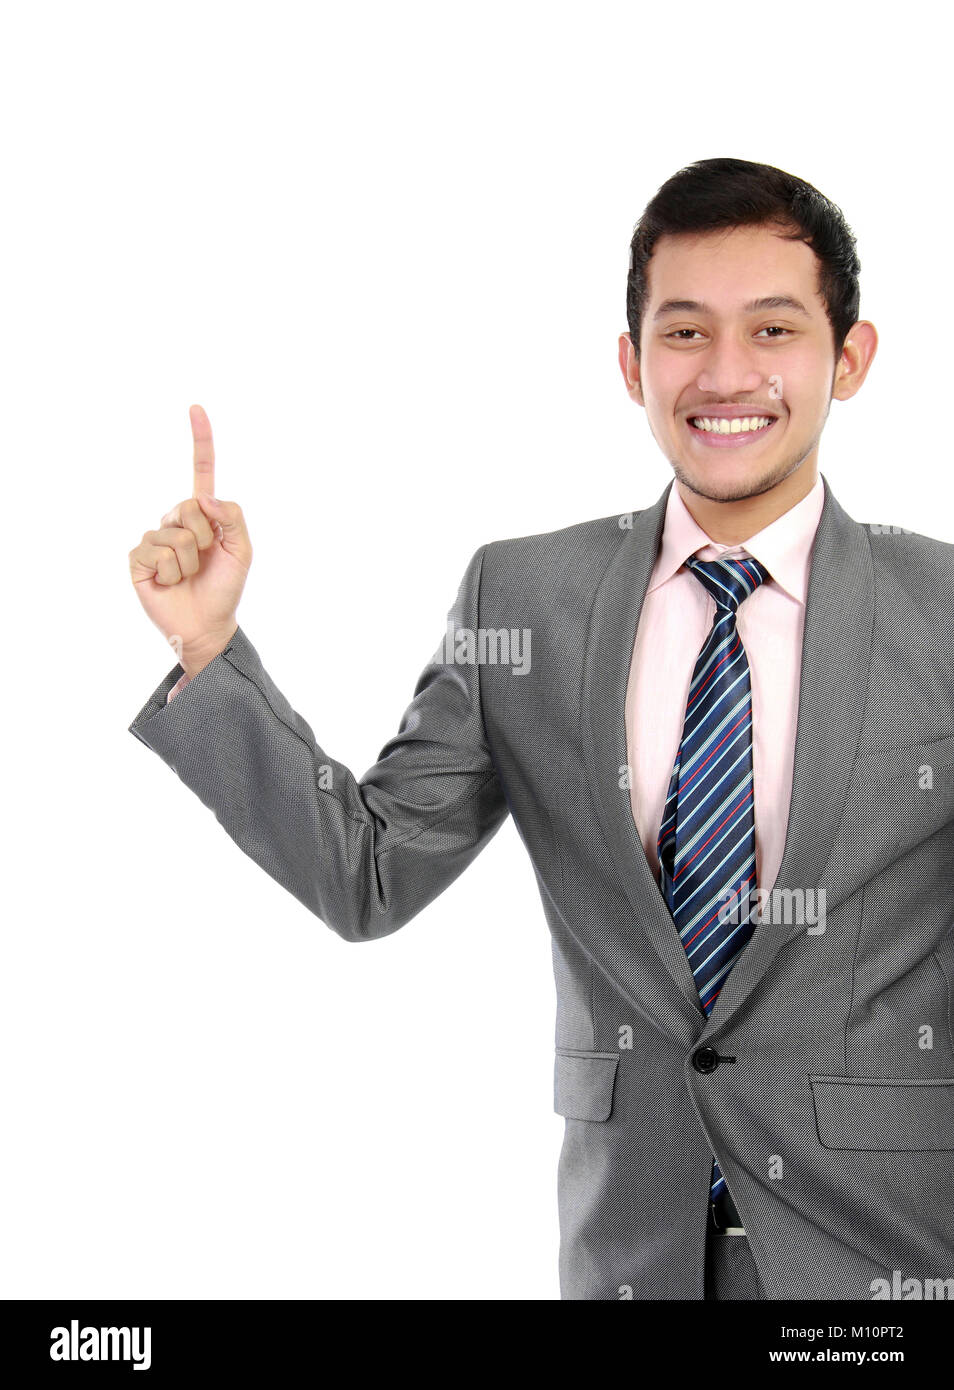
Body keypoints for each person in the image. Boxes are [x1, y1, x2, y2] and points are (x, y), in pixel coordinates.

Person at [128, 157, 954, 1301]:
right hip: (630, 1259)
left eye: (774, 329)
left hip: (888, 1270)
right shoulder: (522, 600)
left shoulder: (945, 610)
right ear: (630, 364)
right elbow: (368, 873)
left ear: (847, 358)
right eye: (684, 333)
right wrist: (209, 651)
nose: (727, 373)